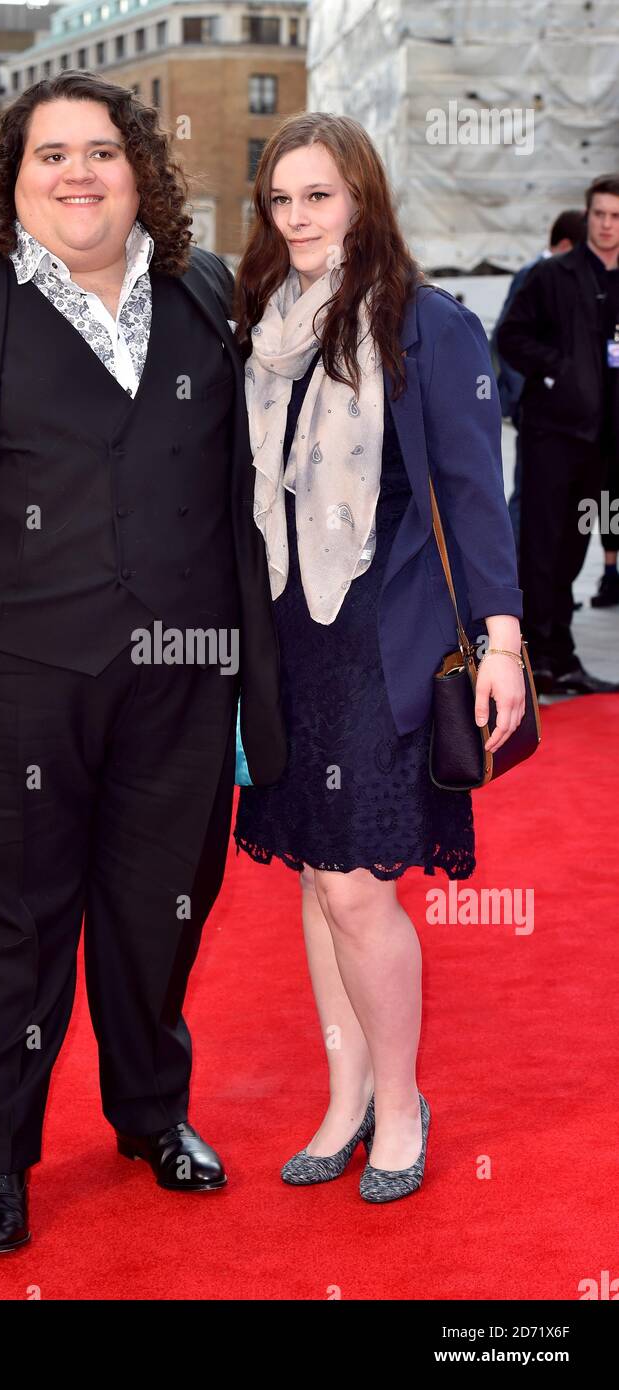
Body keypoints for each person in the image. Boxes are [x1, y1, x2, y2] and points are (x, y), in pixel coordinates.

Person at [0, 70, 286, 1254]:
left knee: (158, 918)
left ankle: (150, 1114)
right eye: (51, 155)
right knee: (8, 933)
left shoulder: (203, 291)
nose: (79, 173)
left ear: (142, 170)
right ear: (10, 175)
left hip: (182, 679)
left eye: (103, 152)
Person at [232, 112, 526, 1203]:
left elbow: (472, 489)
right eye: (282, 199)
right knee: (316, 875)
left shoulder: (426, 324)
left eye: (320, 194)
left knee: (358, 888)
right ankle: (345, 1092)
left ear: (362, 197)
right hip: (288, 639)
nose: (299, 217)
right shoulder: (268, 327)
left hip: (382, 638)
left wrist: (503, 639)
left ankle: (401, 1103)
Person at [497, 176, 619, 684]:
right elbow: (510, 336)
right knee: (541, 546)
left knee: (576, 545)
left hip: (606, 440)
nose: (607, 225)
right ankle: (535, 656)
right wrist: (558, 371)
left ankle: (558, 653)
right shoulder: (551, 276)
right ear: (587, 216)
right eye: (599, 215)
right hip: (553, 434)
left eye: (616, 217)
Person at [491, 210, 585, 549]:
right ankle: (516, 579)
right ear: (564, 245)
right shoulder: (535, 274)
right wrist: (521, 398)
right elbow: (508, 337)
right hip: (533, 406)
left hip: (553, 408)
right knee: (528, 495)